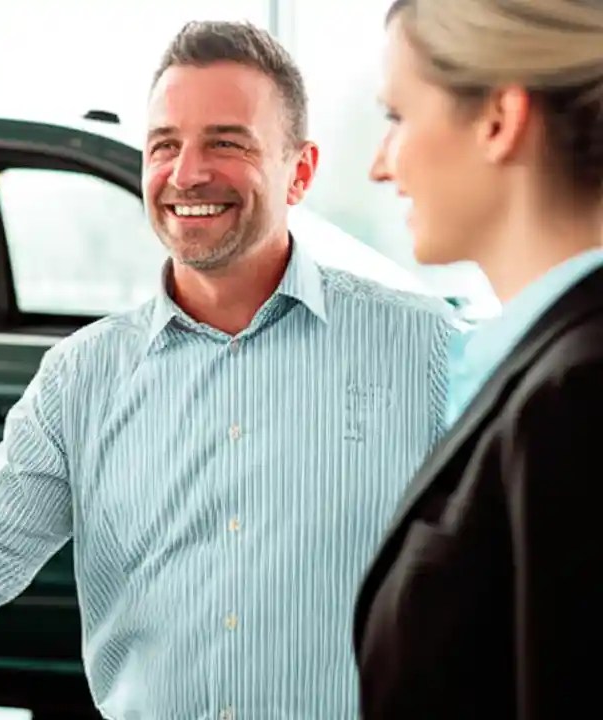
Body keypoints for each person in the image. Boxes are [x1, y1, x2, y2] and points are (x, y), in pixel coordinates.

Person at [0, 20, 458, 720]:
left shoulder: (425, 349)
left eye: (226, 143)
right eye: (165, 145)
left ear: (299, 171)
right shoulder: (82, 376)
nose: (187, 173)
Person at [354, 1, 603, 717]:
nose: (379, 164)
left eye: (397, 116)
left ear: (499, 120)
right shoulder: (543, 369)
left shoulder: (577, 395)